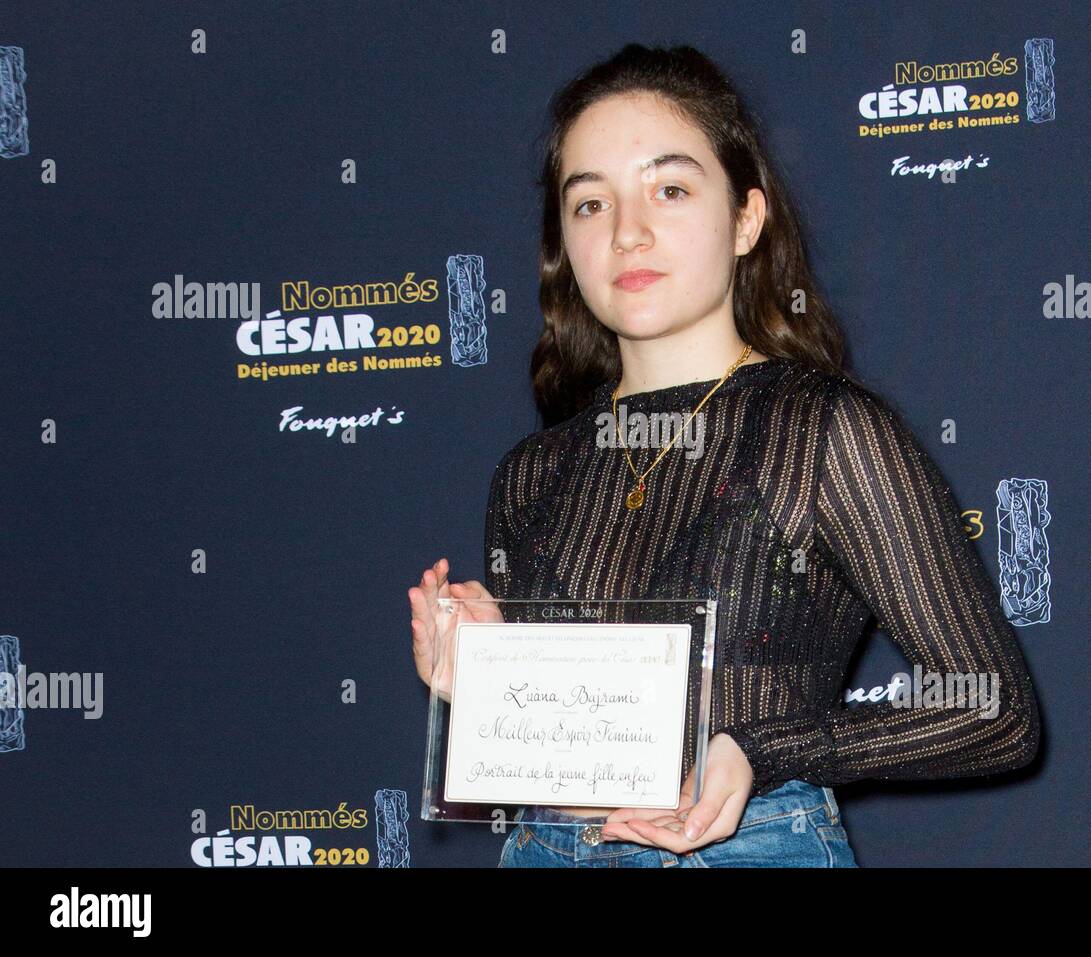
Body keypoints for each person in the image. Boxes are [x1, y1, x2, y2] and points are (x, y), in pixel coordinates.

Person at [410, 44, 1041, 868]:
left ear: (746, 218)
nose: (629, 232)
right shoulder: (530, 471)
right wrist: (484, 682)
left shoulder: (822, 430)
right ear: (564, 243)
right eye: (591, 204)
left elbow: (994, 710)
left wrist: (761, 750)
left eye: (669, 190)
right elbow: (577, 738)